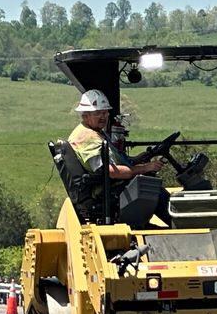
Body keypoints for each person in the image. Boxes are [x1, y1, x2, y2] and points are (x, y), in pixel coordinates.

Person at [68, 89, 172, 227]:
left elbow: (113, 162)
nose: (103, 117)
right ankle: (180, 226)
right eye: (98, 113)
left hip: (111, 186)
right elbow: (109, 171)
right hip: (107, 192)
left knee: (150, 185)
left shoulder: (95, 133)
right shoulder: (87, 138)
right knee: (152, 189)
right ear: (85, 115)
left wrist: (137, 159)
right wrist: (143, 168)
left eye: (105, 112)